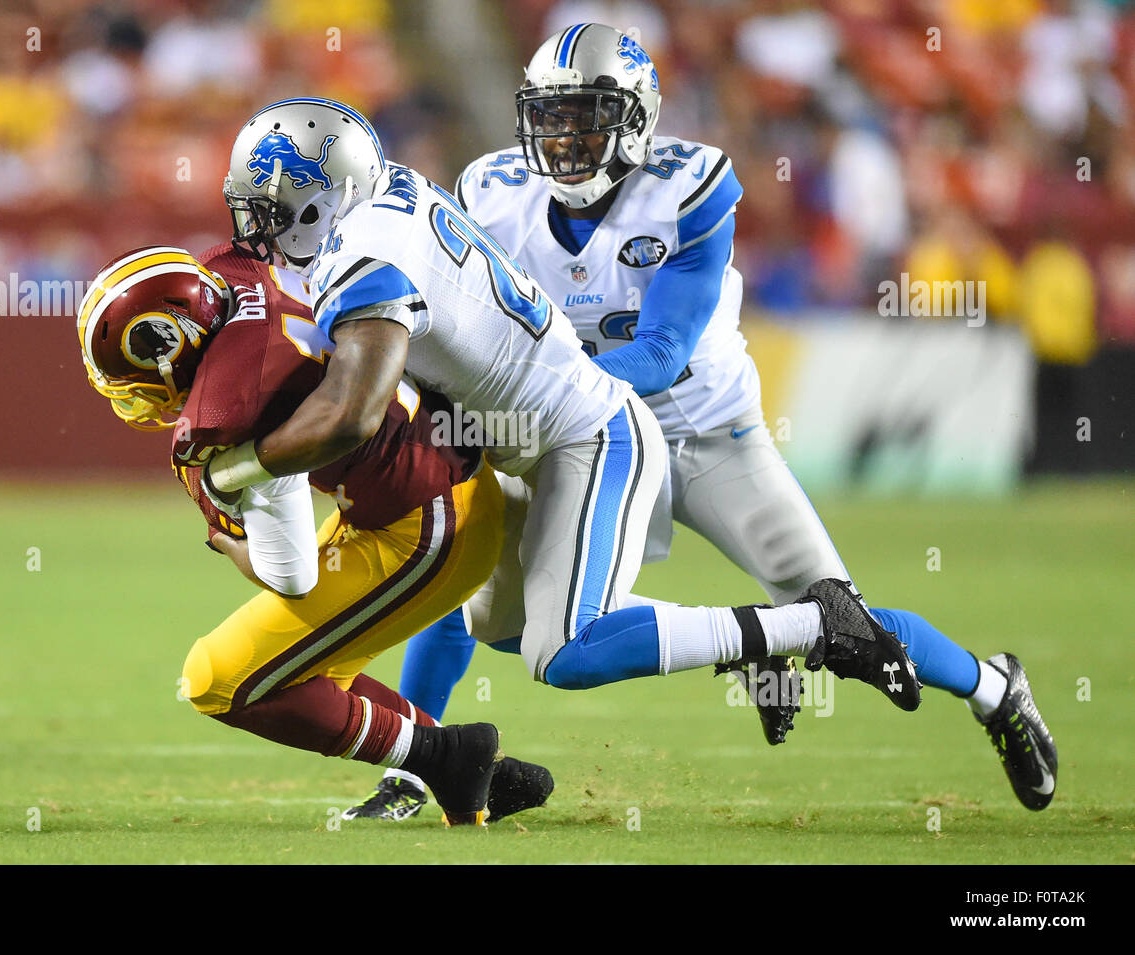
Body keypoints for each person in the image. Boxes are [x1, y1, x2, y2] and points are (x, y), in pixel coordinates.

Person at [351, 24, 1057, 821]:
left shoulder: (688, 187)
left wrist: (531, 393)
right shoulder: (491, 192)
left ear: (637, 118)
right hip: (579, 439)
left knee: (841, 621)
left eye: (586, 116)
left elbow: (659, 350)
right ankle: (414, 770)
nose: (565, 139)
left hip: (702, 431)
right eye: (550, 117)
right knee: (475, 574)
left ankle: (994, 689)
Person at [205, 97, 925, 816]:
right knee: (495, 623)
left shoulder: (366, 251)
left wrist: (235, 468)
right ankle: (739, 642)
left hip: (588, 433)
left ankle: (814, 622)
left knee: (564, 651)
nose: (258, 229)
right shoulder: (385, 194)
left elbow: (353, 411)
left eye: (271, 210)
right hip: (531, 442)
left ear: (323, 197)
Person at [76, 244, 554, 826]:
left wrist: (230, 540)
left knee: (219, 680)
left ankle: (447, 756)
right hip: (427, 487)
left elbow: (292, 575)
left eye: (139, 374)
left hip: (429, 524)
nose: (140, 394)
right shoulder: (234, 278)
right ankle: (481, 774)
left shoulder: (228, 406)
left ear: (168, 341)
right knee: (303, 668)